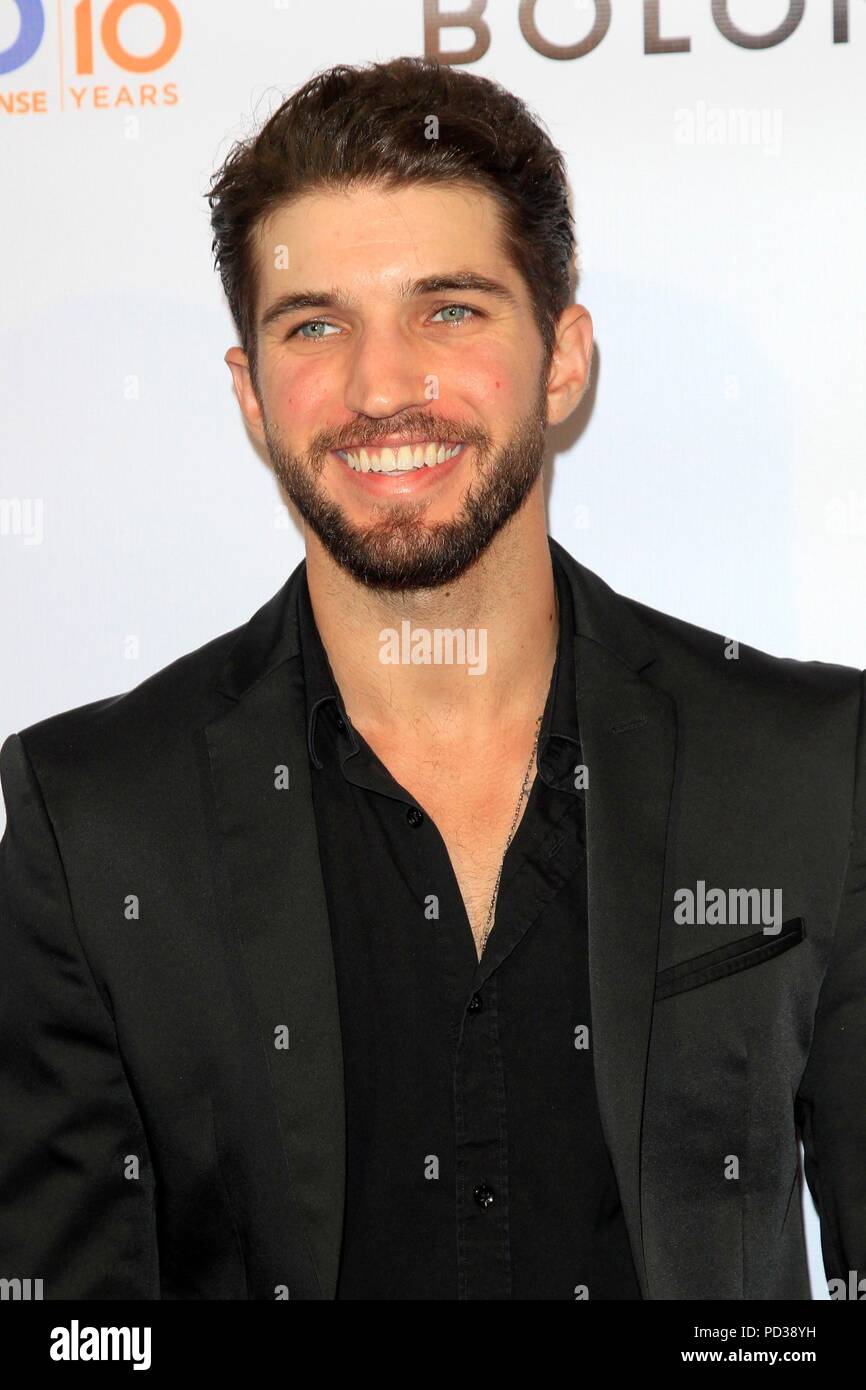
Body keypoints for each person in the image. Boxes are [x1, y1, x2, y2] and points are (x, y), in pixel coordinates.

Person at [1, 56, 863, 1301]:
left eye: (448, 310)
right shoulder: (96, 817)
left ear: (561, 359)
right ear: (250, 393)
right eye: (315, 324)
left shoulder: (802, 765)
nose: (381, 386)